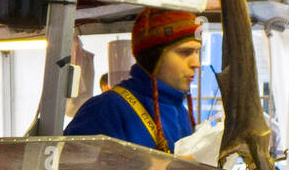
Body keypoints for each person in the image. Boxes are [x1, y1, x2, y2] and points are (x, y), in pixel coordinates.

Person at [65, 8, 200, 152]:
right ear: (153, 57)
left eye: (197, 52)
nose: (196, 63)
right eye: (185, 52)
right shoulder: (105, 110)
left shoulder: (181, 112)